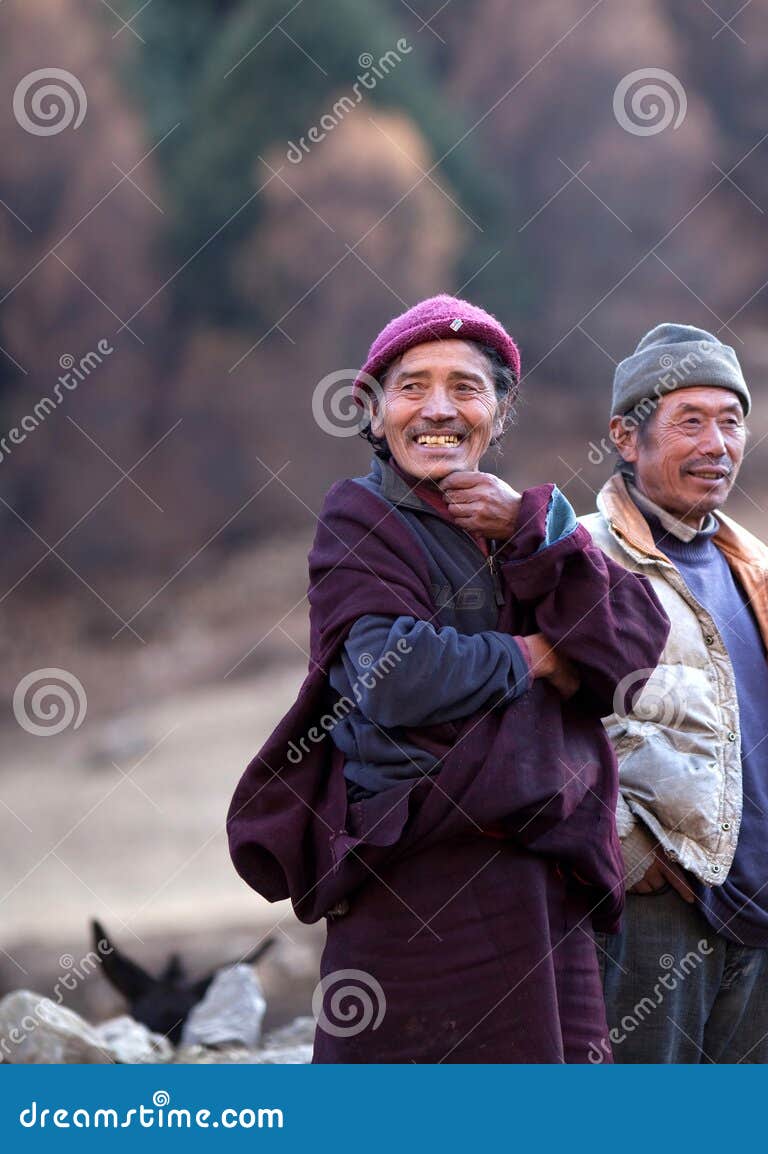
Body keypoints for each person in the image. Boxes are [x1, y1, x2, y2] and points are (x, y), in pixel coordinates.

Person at [227, 295, 670, 1062]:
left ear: (500, 413)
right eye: (411, 386)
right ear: (373, 414)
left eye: (467, 387)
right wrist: (541, 657)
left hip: (540, 889)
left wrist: (533, 532)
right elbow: (394, 679)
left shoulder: (526, 525)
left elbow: (632, 655)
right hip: (415, 884)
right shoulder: (360, 518)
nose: (439, 408)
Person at [581, 323, 768, 1062]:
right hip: (659, 909)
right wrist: (630, 854)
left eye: (731, 422)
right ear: (626, 439)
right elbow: (552, 731)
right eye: (689, 422)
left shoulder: (752, 562)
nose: (716, 444)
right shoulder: (584, 557)